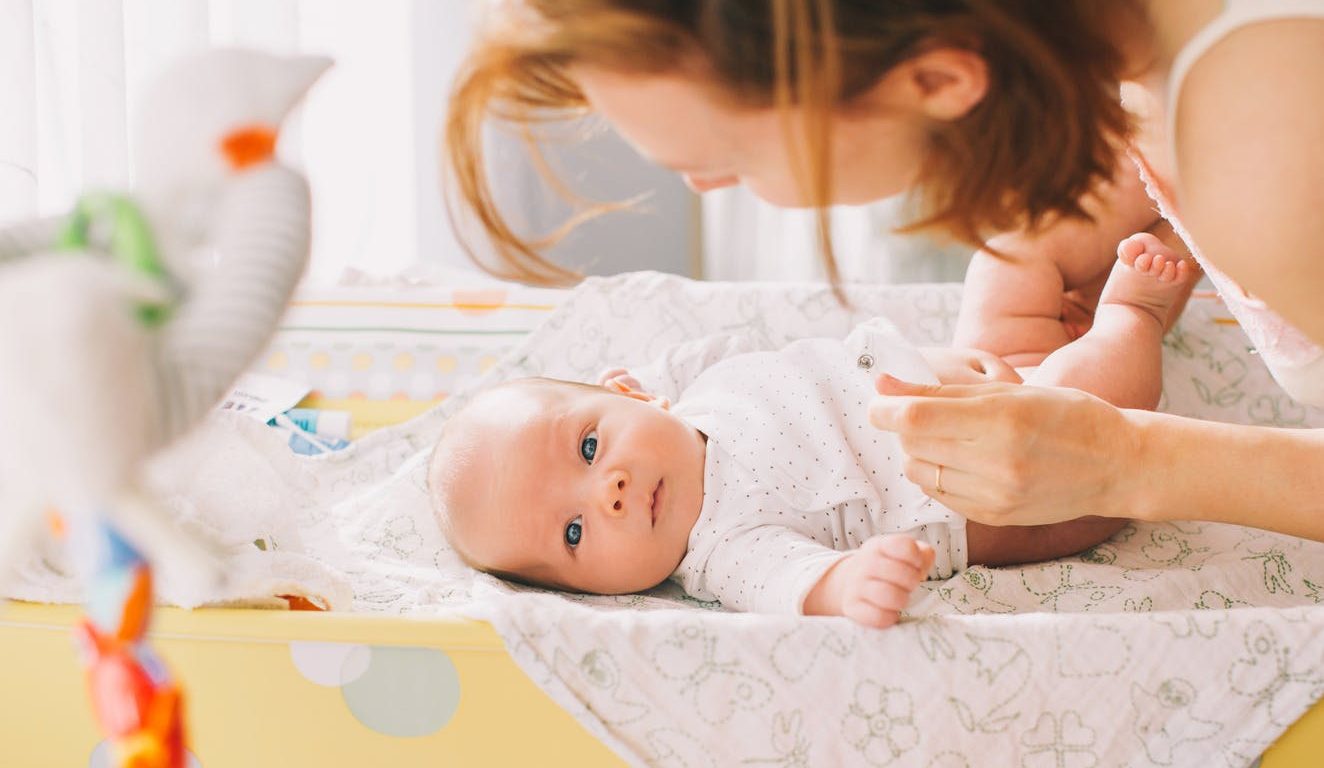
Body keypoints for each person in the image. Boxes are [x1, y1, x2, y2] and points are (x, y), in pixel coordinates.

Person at [443, 1, 1324, 542]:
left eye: (726, 162)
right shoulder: (1151, 64)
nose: (705, 187)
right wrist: (1113, 200)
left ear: (938, 80)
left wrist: (1130, 461)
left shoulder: (1273, 168)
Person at [429, 246, 1192, 628]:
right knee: (1103, 396)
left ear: (629, 391)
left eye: (590, 450)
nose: (612, 493)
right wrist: (855, 583)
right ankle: (1136, 314)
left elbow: (827, 360)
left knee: (1009, 257)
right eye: (573, 531)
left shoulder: (696, 385)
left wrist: (939, 365)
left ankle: (1154, 208)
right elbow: (802, 584)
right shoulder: (720, 550)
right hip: (1026, 484)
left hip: (968, 374)